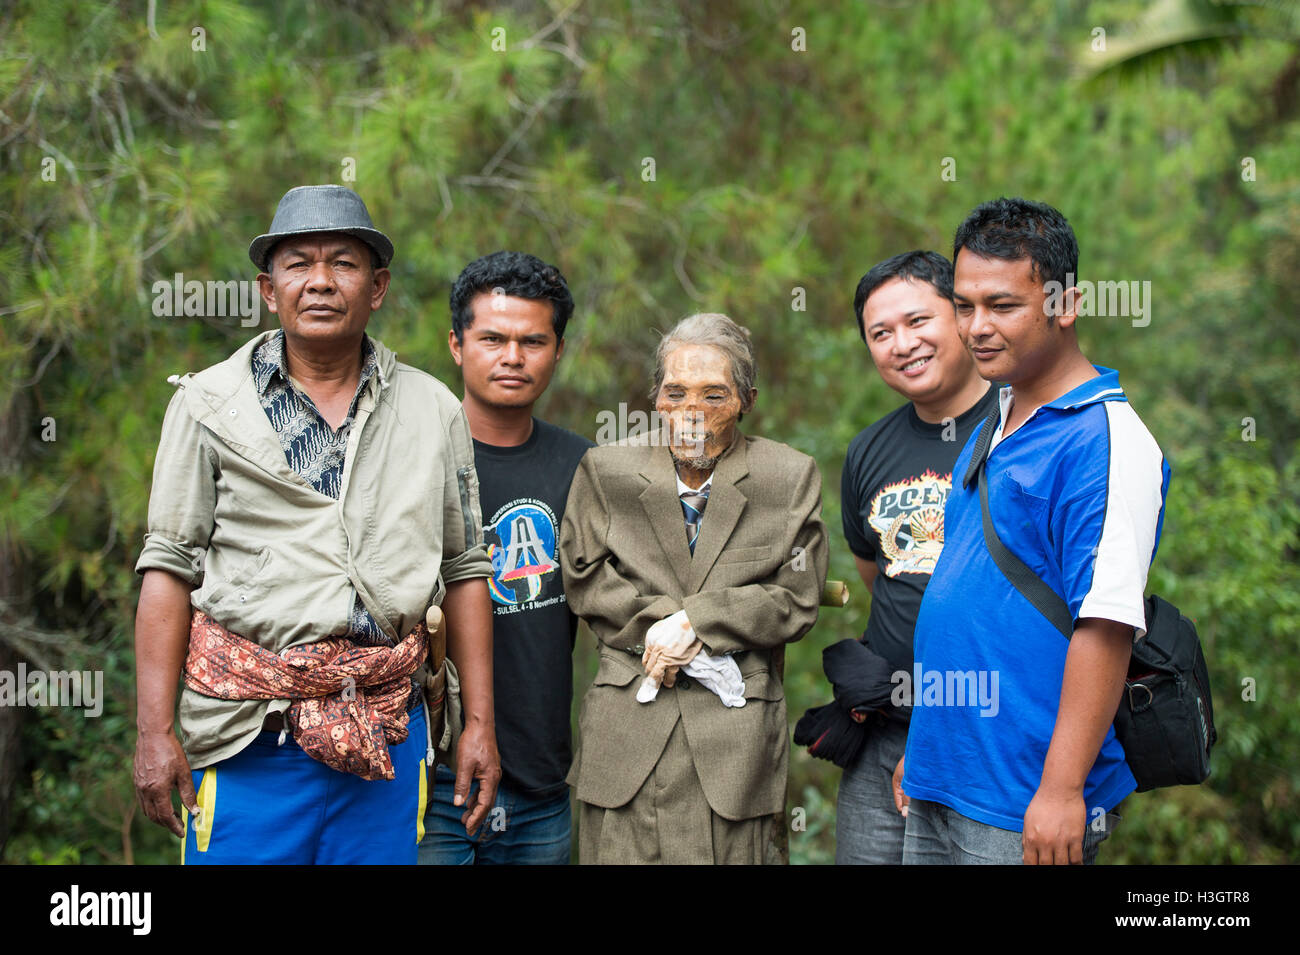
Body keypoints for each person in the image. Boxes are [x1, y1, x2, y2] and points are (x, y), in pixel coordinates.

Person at [132, 184, 500, 864]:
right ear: (268, 290)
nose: (321, 281)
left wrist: (479, 723)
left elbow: (465, 569)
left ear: (377, 287)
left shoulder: (432, 409)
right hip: (247, 739)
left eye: (344, 263)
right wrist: (154, 732)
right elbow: (168, 568)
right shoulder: (208, 405)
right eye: (299, 263)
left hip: (386, 737)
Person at [897, 197, 1170, 865]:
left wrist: (1062, 788)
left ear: (1065, 304)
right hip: (943, 775)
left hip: (1022, 795)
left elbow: (1106, 622)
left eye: (1002, 306)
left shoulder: (1106, 440)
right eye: (963, 306)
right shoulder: (998, 415)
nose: (976, 327)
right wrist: (924, 747)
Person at [559, 312, 829, 865]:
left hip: (735, 747)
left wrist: (697, 622)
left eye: (714, 395)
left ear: (747, 400)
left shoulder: (788, 477)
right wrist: (661, 629)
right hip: (627, 734)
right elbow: (583, 574)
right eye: (676, 392)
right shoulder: (606, 471)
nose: (691, 412)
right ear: (656, 398)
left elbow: (797, 596)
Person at [418, 251, 593, 865]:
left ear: (558, 350)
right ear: (457, 344)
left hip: (541, 782)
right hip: (430, 780)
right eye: (492, 338)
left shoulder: (584, 467)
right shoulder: (414, 462)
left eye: (532, 341)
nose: (513, 357)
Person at [833, 250, 996, 865]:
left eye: (917, 321)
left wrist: (936, 734)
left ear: (960, 315)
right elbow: (881, 577)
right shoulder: (868, 450)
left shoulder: (1021, 428)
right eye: (881, 334)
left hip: (987, 731)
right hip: (882, 729)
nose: (902, 344)